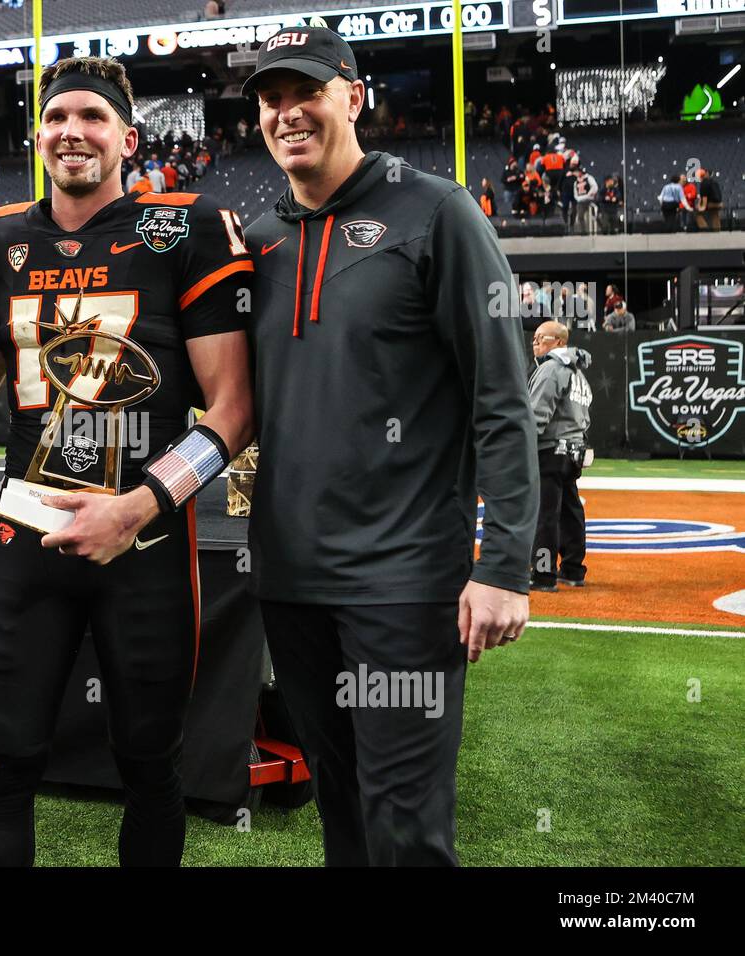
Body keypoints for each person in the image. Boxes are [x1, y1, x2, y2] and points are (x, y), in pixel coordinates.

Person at [0, 55, 254, 867]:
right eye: (56, 117)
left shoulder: (183, 227)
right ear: (37, 133)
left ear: (128, 134)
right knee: (1, 765)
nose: (71, 132)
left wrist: (142, 504)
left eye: (91, 116)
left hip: (147, 539)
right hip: (27, 532)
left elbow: (235, 411)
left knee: (152, 766)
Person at [243, 26, 537, 866]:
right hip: (290, 582)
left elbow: (502, 400)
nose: (288, 112)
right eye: (271, 98)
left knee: (404, 825)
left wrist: (505, 564)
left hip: (401, 584)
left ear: (354, 97)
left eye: (307, 92)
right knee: (341, 810)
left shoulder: (436, 212)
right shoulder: (259, 240)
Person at [528, 322, 590, 591]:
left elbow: (536, 414)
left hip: (550, 450)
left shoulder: (552, 369)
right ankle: (573, 569)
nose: (535, 343)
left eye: (542, 338)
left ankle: (543, 574)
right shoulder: (578, 373)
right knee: (570, 510)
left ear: (559, 343)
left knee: (545, 514)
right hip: (573, 450)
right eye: (534, 338)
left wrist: (523, 446)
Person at [696, 167, 723, 232]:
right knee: (715, 215)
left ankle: (705, 230)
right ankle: (717, 231)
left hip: (711, 204)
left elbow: (704, 197)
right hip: (719, 204)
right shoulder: (714, 182)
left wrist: (702, 207)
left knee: (697, 214)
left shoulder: (704, 183)